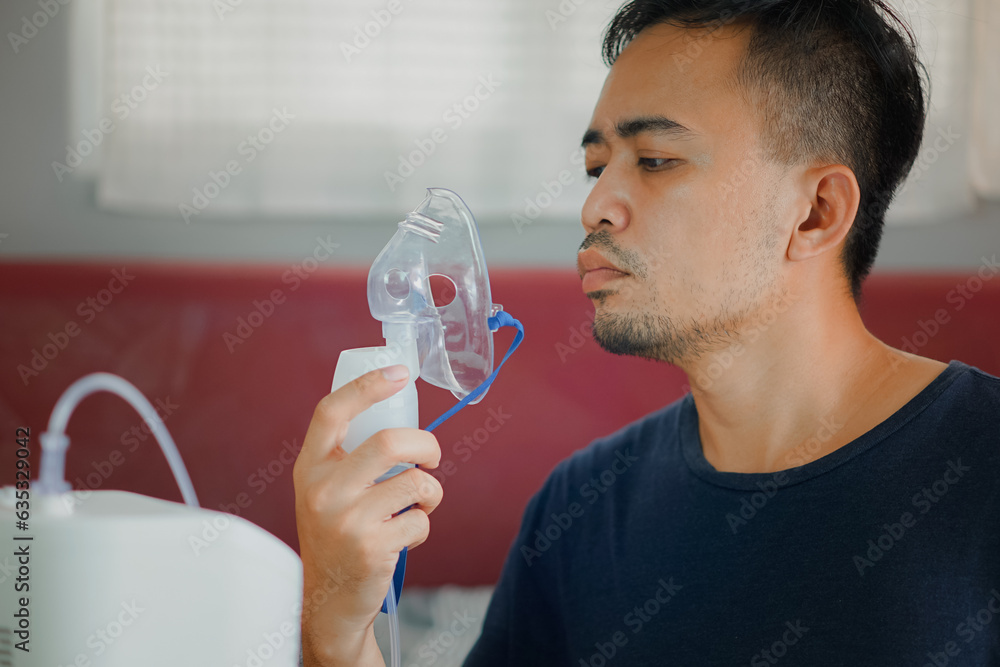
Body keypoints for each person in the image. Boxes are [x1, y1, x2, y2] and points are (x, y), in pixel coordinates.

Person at [294, 1, 1000, 664]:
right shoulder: (578, 511)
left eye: (656, 159)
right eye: (595, 167)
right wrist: (336, 631)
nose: (596, 205)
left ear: (816, 212)